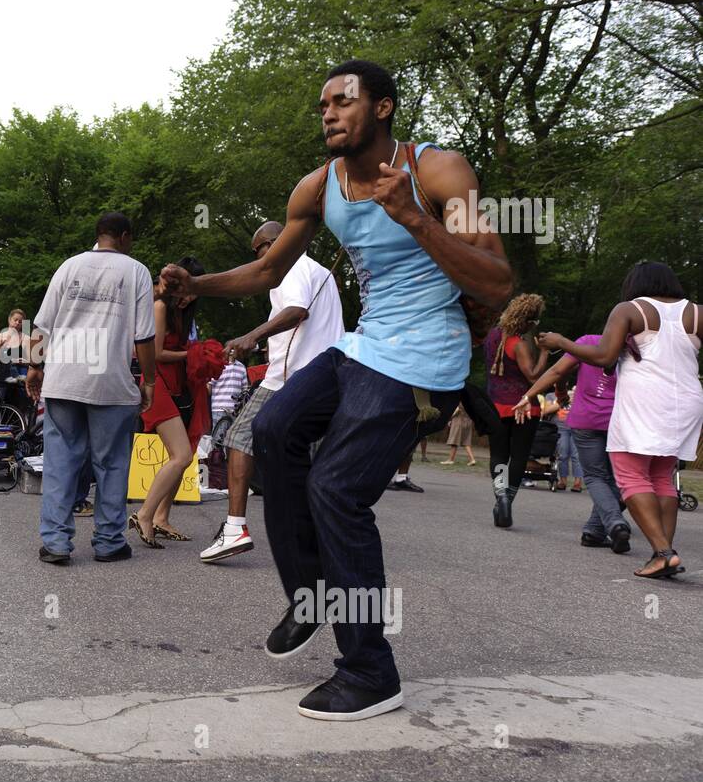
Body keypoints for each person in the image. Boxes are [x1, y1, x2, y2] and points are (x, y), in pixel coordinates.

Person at [161, 59, 512, 720]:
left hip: (424, 358)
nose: (327, 113)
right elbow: (268, 266)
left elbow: (496, 282)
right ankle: (312, 594)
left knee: (336, 490)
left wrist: (416, 218)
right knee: (271, 429)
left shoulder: (439, 172)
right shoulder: (318, 188)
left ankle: (370, 672)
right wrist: (197, 286)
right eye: (322, 104)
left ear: (381, 107)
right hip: (364, 344)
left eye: (342, 101)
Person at [537, 262, 703, 580]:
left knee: (630, 474)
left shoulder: (630, 309)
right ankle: (661, 553)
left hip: (645, 400)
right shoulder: (696, 313)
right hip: (687, 401)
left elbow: (603, 356)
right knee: (662, 477)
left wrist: (562, 343)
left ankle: (665, 553)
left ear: (635, 283)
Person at [201, 221, 344, 564]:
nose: (259, 260)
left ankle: (235, 529)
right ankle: (321, 539)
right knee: (307, 459)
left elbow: (296, 311)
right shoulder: (320, 270)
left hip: (292, 376)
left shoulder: (289, 268)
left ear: (276, 244)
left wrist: (253, 335)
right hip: (328, 376)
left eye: (259, 250)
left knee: (238, 438)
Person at [28, 211, 159, 564]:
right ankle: (109, 542)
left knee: (60, 462)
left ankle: (56, 542)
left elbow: (42, 327)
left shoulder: (68, 267)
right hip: (111, 385)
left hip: (64, 379)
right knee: (112, 463)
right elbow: (145, 336)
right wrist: (148, 380)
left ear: (98, 235)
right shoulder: (137, 272)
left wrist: (34, 368)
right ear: (125, 237)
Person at [513, 333, 630, 552]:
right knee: (619, 479)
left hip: (585, 420)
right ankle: (612, 523)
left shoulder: (587, 342)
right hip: (622, 421)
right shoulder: (636, 346)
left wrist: (529, 395)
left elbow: (558, 371)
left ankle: (597, 529)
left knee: (596, 477)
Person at [132, 259, 204, 547]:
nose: (187, 298)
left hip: (178, 385)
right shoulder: (160, 306)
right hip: (156, 383)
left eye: (193, 293)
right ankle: (145, 514)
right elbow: (157, 353)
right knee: (182, 456)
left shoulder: (184, 315)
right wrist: (194, 355)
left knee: (182, 454)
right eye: (185, 291)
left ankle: (161, 517)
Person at [484, 293, 548, 527]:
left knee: (499, 455)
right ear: (529, 322)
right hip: (524, 407)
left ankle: (500, 496)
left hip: (495, 405)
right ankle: (507, 500)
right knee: (519, 456)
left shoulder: (492, 336)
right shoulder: (519, 344)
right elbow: (533, 376)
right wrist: (544, 352)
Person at [0, 309, 31, 409]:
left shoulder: (27, 339)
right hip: (1, 379)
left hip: (19, 380)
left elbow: (31, 362)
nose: (17, 323)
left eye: (20, 322)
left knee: (17, 408)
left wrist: (22, 361)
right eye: (15, 320)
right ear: (9, 320)